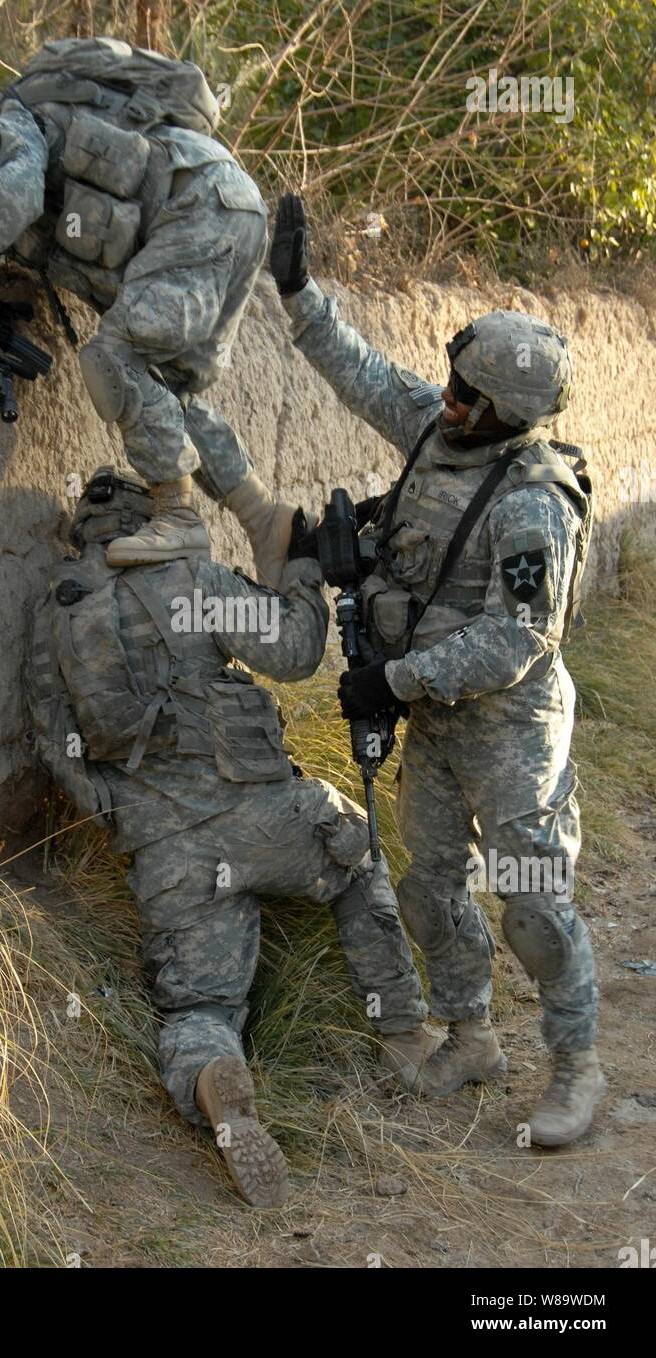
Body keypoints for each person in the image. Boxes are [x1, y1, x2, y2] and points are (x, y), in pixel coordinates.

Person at [257, 193, 604, 1148]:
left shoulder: (534, 504)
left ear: (505, 414)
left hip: (512, 733)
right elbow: (358, 372)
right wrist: (297, 293)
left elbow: (515, 641)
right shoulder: (435, 433)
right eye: (449, 386)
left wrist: (391, 684)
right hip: (436, 729)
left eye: (464, 397)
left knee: (531, 902)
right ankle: (471, 1037)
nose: (443, 402)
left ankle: (576, 1067)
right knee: (428, 888)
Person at [25, 465, 439, 1206]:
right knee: (356, 855)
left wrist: (122, 821)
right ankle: (404, 1034)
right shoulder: (190, 582)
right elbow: (293, 653)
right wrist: (303, 573)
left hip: (166, 852)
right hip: (264, 820)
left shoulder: (57, 612)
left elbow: (55, 742)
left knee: (199, 1008)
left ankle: (214, 1075)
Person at [0, 41, 292, 567]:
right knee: (169, 391)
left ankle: (179, 518)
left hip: (197, 208)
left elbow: (12, 198)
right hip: (232, 207)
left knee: (113, 355)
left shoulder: (10, 122)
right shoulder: (31, 127)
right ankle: (266, 520)